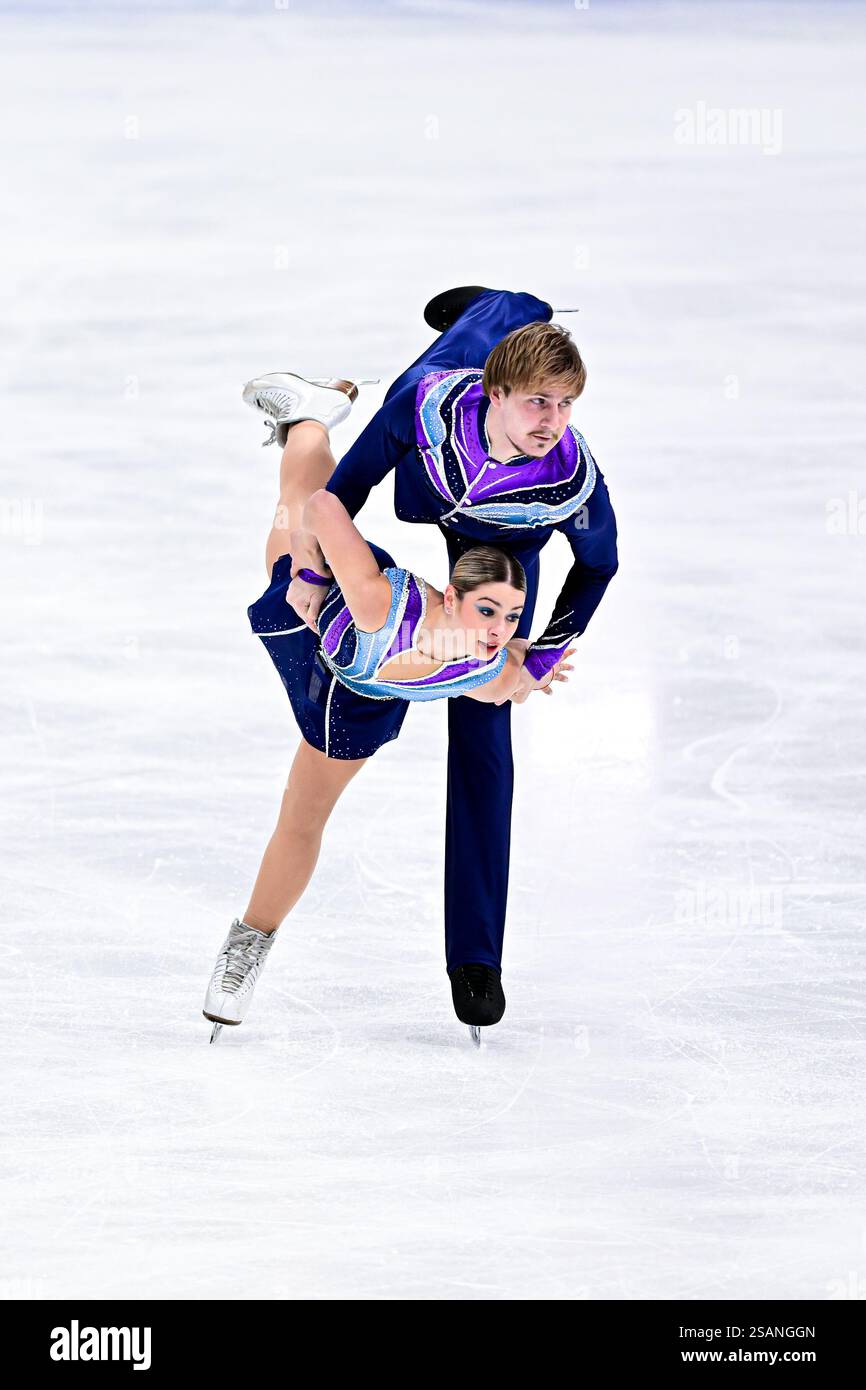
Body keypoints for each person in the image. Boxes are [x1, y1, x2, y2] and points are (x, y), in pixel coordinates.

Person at [243, 289, 619, 1013]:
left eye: (566, 406)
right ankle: (329, 402)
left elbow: (599, 565)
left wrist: (541, 653)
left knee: (485, 719)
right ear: (495, 392)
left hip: (503, 545)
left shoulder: (569, 479)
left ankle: (476, 956)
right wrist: (316, 572)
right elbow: (341, 493)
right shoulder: (428, 403)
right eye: (540, 403)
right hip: (434, 479)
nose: (556, 423)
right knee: (289, 542)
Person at [203, 384, 574, 1043]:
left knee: (301, 818)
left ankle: (246, 946)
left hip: (357, 706)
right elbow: (326, 508)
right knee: (290, 519)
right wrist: (310, 571)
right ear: (455, 597)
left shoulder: (489, 669)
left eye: (510, 618)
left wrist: (532, 667)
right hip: (318, 624)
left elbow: (512, 678)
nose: (496, 630)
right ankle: (309, 417)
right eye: (486, 612)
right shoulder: (377, 602)